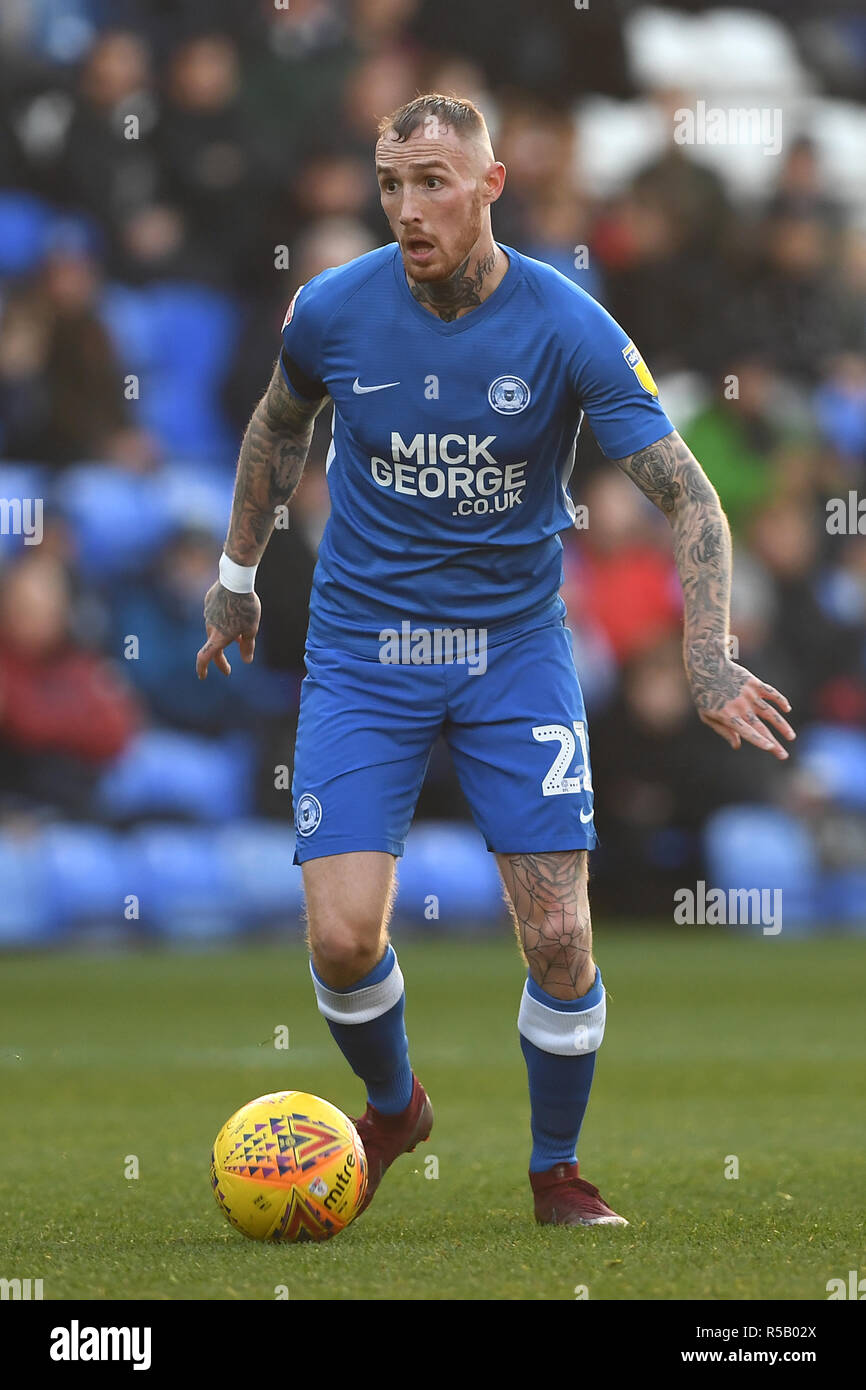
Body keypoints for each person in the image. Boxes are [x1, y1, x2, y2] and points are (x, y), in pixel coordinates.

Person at [196, 94, 795, 1229]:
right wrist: (233, 580)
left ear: (490, 186)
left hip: (509, 652)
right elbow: (279, 428)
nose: (406, 209)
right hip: (365, 651)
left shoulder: (567, 326)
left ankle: (555, 1171)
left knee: (560, 931)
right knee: (337, 934)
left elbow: (688, 495)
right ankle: (393, 1105)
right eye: (389, 184)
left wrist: (707, 653)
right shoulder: (331, 310)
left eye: (431, 182)